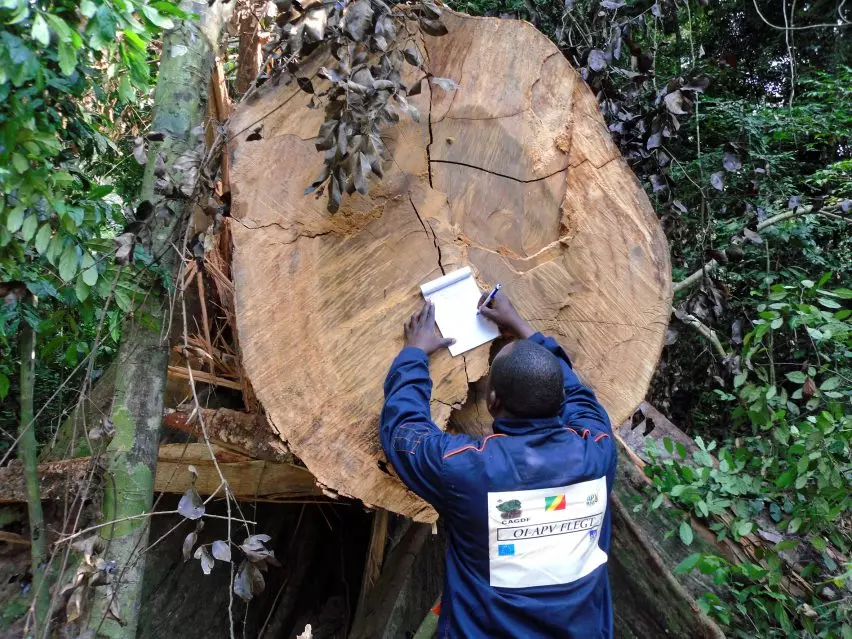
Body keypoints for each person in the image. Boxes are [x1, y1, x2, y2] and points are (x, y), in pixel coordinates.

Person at [380, 292, 617, 638]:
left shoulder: (468, 471)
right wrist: (521, 327)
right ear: (560, 402)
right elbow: (580, 396)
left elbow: (404, 431)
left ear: (491, 401)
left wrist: (414, 353)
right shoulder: (599, 451)